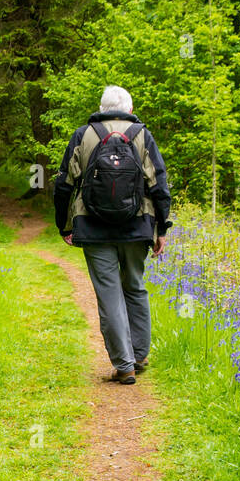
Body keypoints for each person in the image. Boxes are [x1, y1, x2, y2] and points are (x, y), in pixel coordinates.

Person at [53, 85, 172, 385]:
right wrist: (162, 228)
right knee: (135, 286)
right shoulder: (143, 135)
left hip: (94, 227)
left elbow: (64, 184)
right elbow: (159, 185)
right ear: (129, 110)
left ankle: (124, 365)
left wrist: (64, 224)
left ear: (101, 109)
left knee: (109, 295)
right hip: (138, 225)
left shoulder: (84, 135)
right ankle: (139, 355)